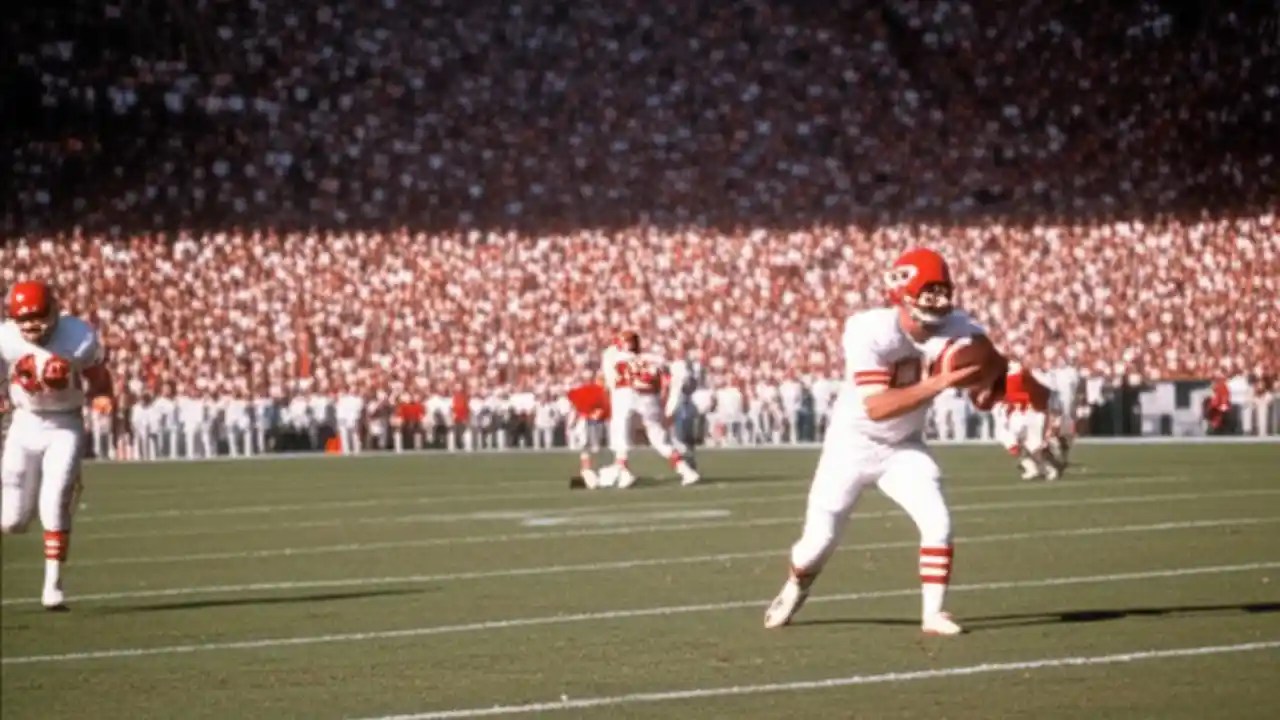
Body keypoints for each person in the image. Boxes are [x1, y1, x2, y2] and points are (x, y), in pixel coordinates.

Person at [763, 249, 993, 636]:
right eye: (928, 290)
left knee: (938, 522)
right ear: (902, 293)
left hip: (904, 445)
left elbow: (994, 368)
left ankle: (933, 614)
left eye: (942, 290)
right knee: (815, 545)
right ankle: (797, 584)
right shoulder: (868, 329)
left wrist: (992, 386)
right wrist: (941, 381)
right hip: (852, 445)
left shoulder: (960, 328)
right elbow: (878, 407)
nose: (937, 300)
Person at [1, 281, 112, 610]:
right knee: (13, 522)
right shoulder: (6, 337)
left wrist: (102, 395)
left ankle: (53, 586)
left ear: (54, 311)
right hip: (24, 423)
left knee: (54, 498)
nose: (32, 325)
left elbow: (98, 375)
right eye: (24, 319)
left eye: (38, 316)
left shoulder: (77, 336)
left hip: (65, 423)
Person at [600, 331, 700, 488]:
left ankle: (624, 470)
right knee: (659, 439)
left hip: (625, 395)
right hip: (649, 399)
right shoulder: (654, 359)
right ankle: (686, 471)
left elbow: (609, 370)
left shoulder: (614, 358)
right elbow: (669, 379)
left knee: (619, 434)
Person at [994, 363, 1067, 481]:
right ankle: (1043, 467)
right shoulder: (1020, 380)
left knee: (1014, 441)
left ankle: (1041, 466)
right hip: (1027, 414)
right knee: (1029, 445)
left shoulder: (1016, 378)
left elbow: (1014, 397)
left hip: (1026, 415)